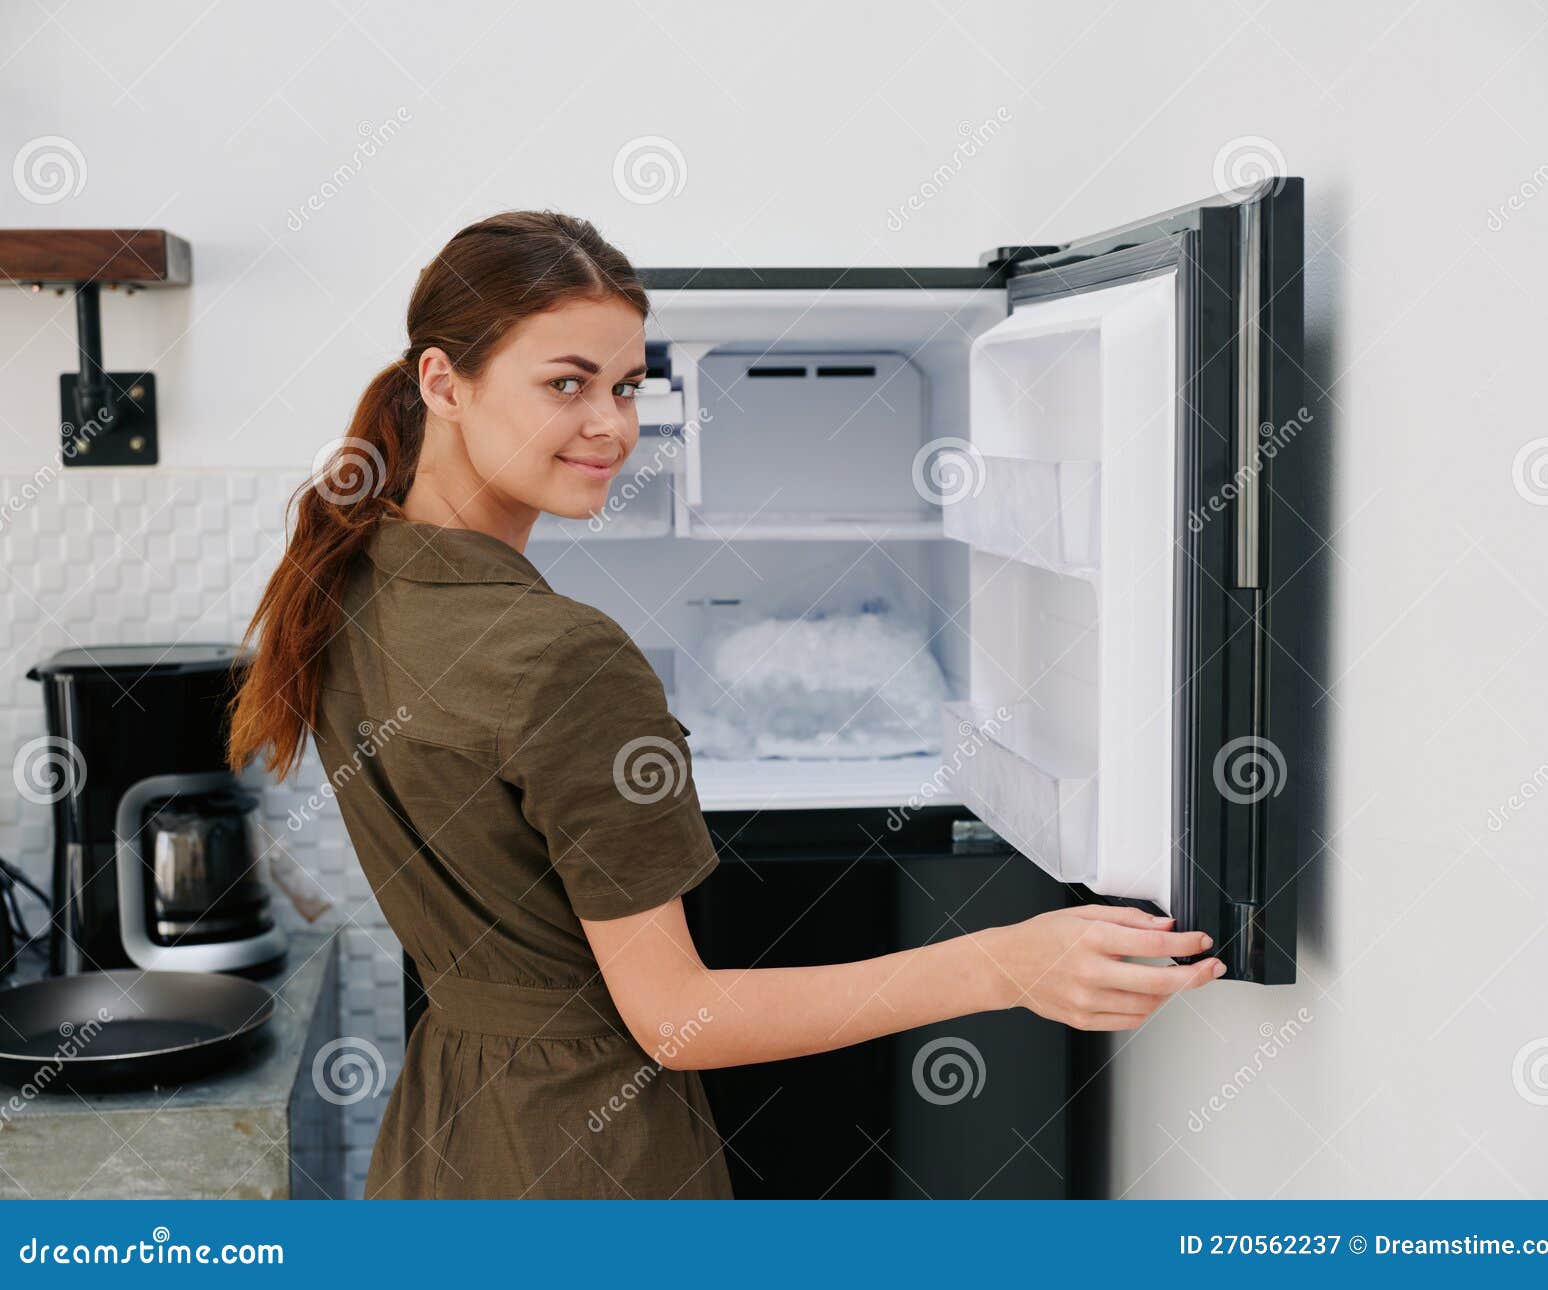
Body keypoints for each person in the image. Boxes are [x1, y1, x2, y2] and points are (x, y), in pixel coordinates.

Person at [227, 209, 1226, 1200]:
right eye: (566, 383)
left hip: (441, 1135)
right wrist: (1005, 965)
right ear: (444, 383)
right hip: (585, 1162)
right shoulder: (567, 659)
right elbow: (676, 1019)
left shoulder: (350, 581)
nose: (612, 425)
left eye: (627, 385)